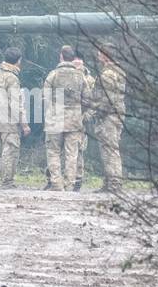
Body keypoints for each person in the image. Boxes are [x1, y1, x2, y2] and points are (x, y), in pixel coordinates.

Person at [43, 45, 87, 191]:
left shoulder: (53, 75)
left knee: (53, 151)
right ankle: (70, 185)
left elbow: (45, 96)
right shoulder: (80, 76)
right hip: (74, 120)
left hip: (55, 118)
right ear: (73, 58)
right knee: (72, 154)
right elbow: (87, 99)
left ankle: (56, 183)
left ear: (61, 56)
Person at [0, 47, 30, 187]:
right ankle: (7, 181)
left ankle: (4, 179)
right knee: (10, 150)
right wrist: (24, 124)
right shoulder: (12, 78)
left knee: (2, 150)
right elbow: (16, 103)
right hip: (9, 119)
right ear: (18, 61)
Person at [90, 43, 128, 194]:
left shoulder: (107, 75)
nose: (98, 55)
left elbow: (107, 99)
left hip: (108, 116)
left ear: (105, 55)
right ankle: (109, 182)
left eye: (100, 53)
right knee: (108, 148)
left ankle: (114, 184)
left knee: (110, 149)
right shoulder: (118, 71)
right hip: (115, 114)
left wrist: (97, 113)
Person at [72, 52, 97, 191]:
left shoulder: (90, 80)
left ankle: (77, 179)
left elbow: (94, 101)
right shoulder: (64, 75)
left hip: (81, 121)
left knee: (78, 150)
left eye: (79, 59)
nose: (77, 62)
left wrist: (86, 116)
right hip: (63, 119)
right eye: (74, 59)